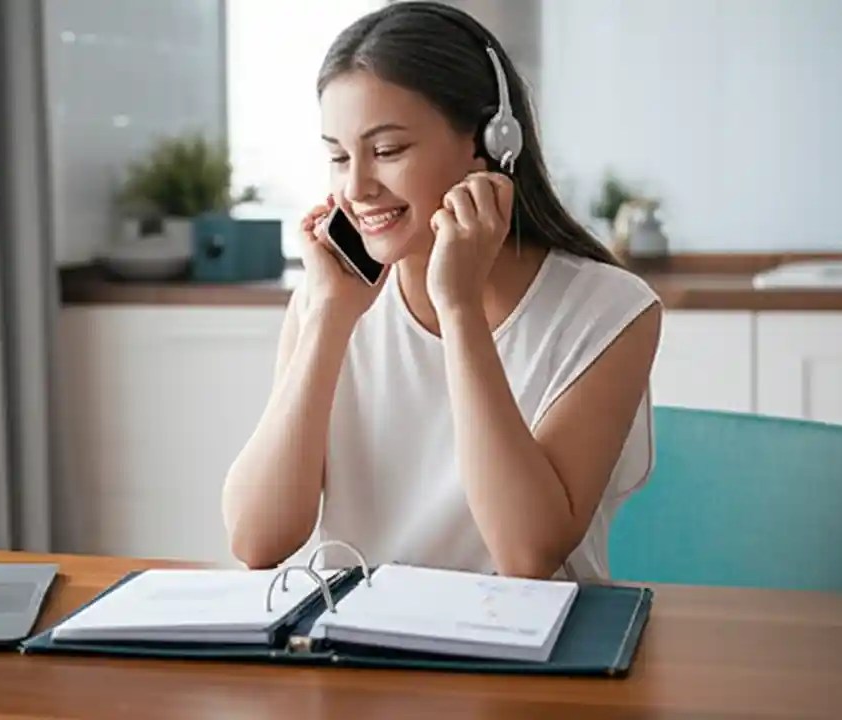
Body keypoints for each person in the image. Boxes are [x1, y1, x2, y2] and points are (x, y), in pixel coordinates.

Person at [220, 1, 662, 581]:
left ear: (490, 143)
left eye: (387, 151)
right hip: (358, 633)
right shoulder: (328, 300)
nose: (357, 187)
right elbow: (257, 539)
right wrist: (327, 318)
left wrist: (458, 307)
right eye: (338, 156)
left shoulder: (609, 310)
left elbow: (527, 556)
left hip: (531, 638)